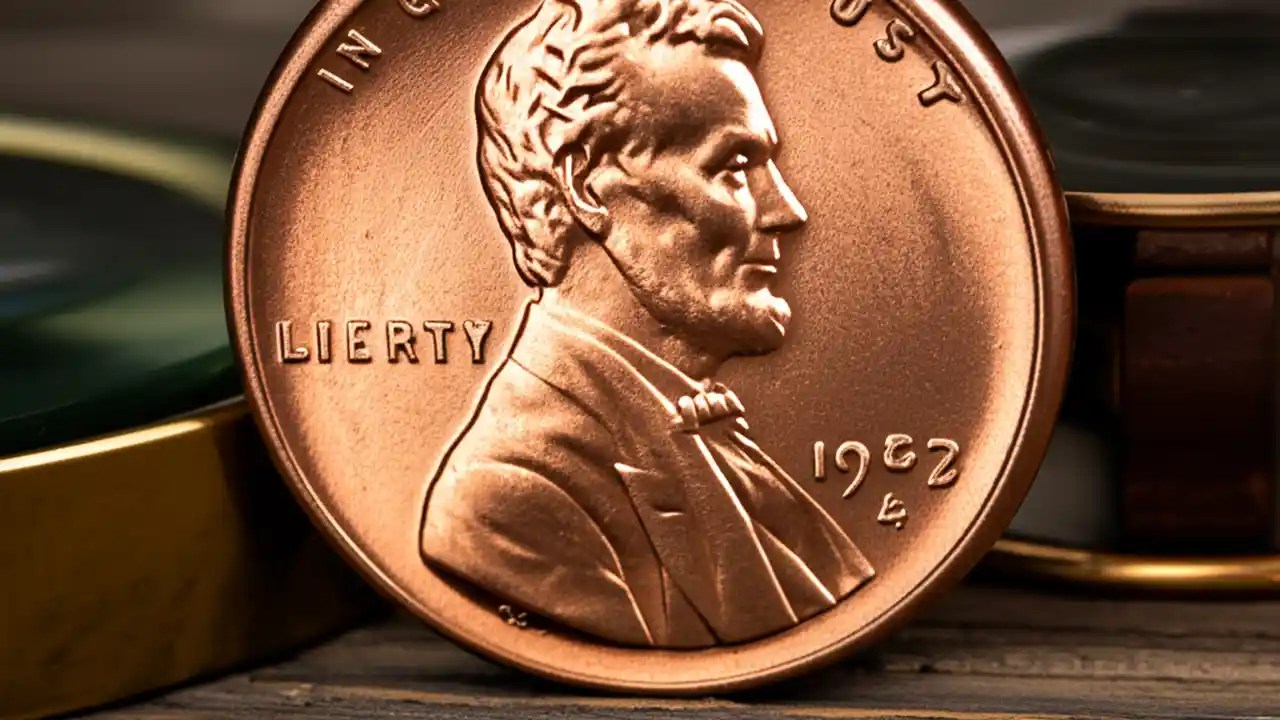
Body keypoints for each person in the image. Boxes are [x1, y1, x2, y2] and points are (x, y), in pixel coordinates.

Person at [420, 0, 873, 648]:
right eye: (734, 167)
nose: (787, 210)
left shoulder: (699, 432)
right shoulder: (511, 496)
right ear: (585, 188)